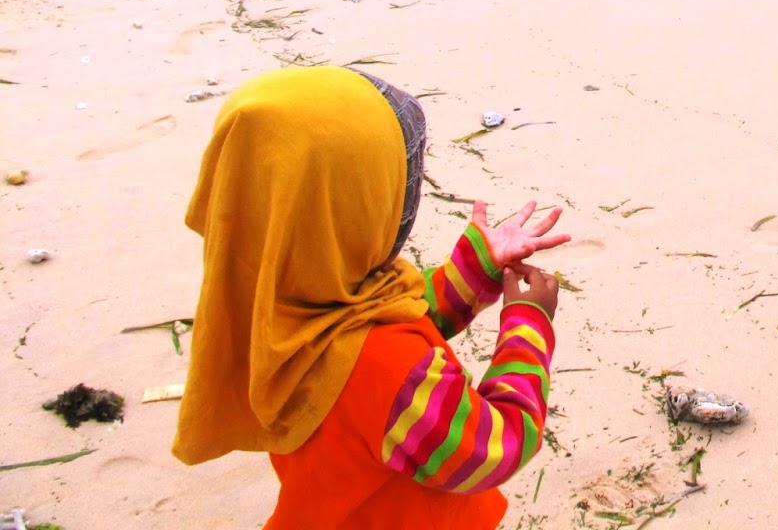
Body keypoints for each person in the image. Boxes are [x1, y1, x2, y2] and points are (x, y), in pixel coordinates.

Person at [173, 66, 569, 528]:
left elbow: (401, 311)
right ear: (351, 210)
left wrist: (477, 267)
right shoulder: (387, 368)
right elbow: (494, 448)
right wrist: (529, 327)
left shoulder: (271, 308)